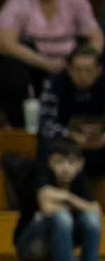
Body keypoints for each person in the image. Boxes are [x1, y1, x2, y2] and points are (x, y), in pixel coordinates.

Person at [0, 0, 105, 128]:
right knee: (9, 68)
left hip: (70, 62)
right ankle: (20, 125)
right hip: (32, 61)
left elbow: (96, 36)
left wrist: (84, 62)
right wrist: (44, 62)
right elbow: (4, 41)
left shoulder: (75, 0)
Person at [13, 136, 100, 261]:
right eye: (60, 162)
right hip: (31, 243)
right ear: (51, 162)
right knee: (62, 216)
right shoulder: (40, 175)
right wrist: (72, 201)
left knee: (91, 220)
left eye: (71, 162)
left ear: (80, 164)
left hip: (62, 242)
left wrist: (66, 197)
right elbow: (46, 207)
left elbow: (95, 210)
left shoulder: (80, 181)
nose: (66, 168)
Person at [40, 46, 105, 181]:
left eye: (89, 70)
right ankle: (47, 193)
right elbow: (45, 124)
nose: (83, 75)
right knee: (46, 144)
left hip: (100, 143)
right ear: (68, 69)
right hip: (67, 144)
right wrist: (71, 136)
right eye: (78, 70)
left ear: (99, 70)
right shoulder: (55, 83)